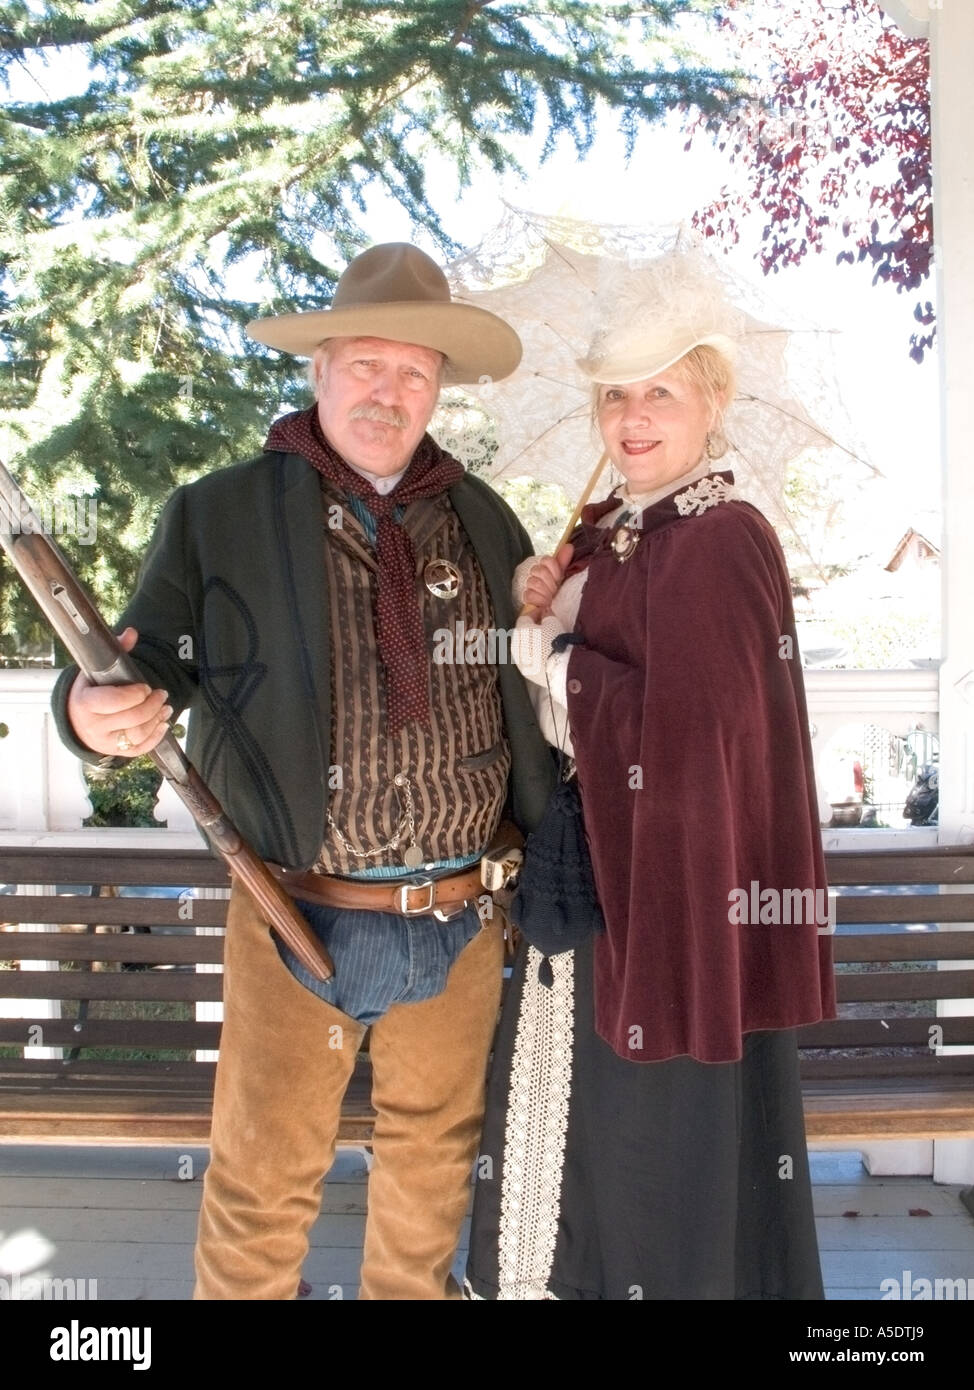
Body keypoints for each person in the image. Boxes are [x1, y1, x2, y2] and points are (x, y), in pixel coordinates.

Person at [52, 242, 556, 1300]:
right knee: (262, 1187)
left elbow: (533, 675)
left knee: (429, 1186)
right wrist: (90, 711)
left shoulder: (484, 518)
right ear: (320, 368)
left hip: (462, 914)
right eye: (366, 364)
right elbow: (142, 663)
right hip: (296, 912)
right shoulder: (219, 512)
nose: (388, 392)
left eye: (413, 372)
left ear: (437, 388)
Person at [464, 271, 837, 1301]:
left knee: (653, 1129)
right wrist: (548, 593)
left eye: (659, 392)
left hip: (671, 887)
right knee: (585, 1114)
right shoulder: (619, 528)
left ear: (711, 401)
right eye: (615, 396)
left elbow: (696, 729)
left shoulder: (724, 537)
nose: (632, 417)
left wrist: (558, 661)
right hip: (594, 860)